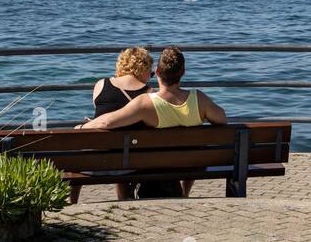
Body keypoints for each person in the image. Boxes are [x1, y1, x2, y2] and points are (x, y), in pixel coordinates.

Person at [81, 47, 228, 197]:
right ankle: (185, 193)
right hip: (194, 164)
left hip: (161, 165)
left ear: (157, 72)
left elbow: (107, 122)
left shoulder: (147, 103)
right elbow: (222, 118)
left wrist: (82, 127)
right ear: (183, 73)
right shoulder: (199, 98)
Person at [86, 47, 154, 199]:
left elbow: (103, 114)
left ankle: (73, 201)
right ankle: (124, 199)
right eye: (151, 72)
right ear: (143, 69)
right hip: (130, 163)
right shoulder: (150, 94)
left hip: (94, 160)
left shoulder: (101, 85)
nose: (151, 76)